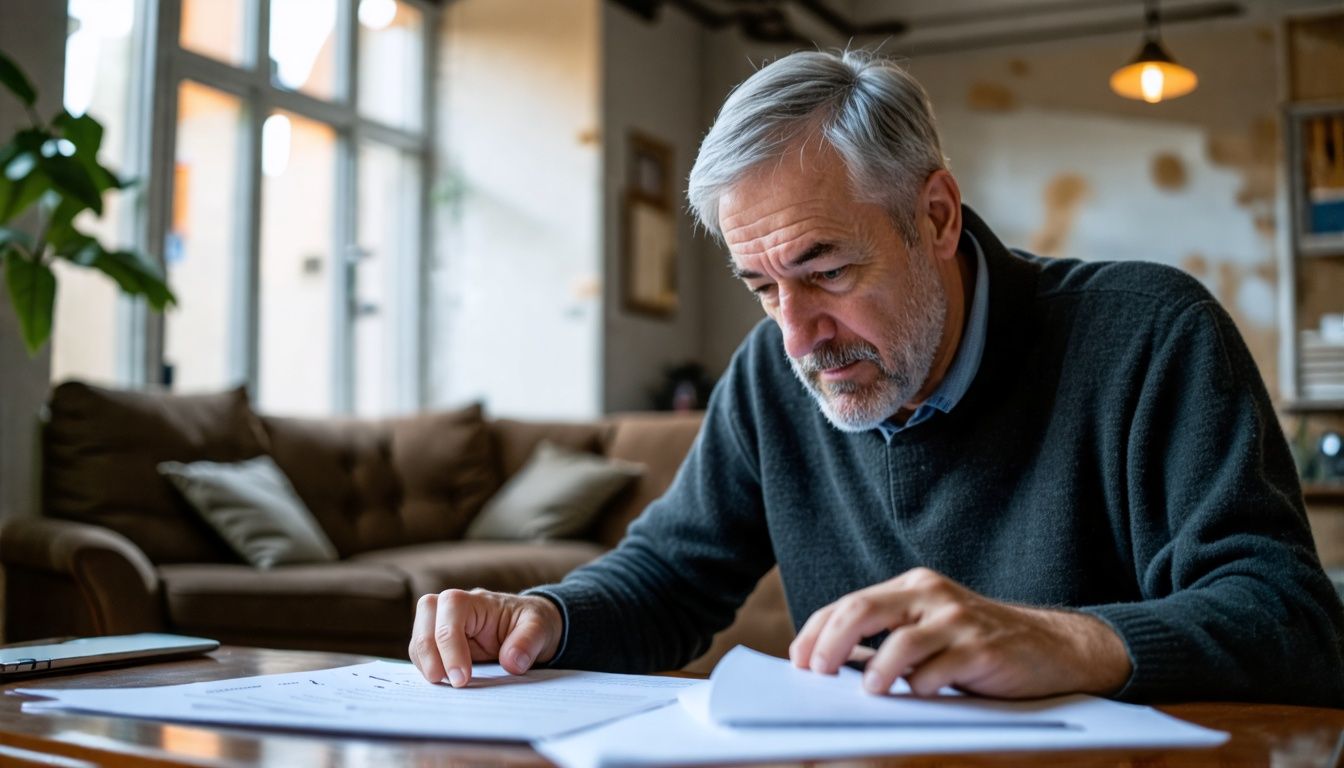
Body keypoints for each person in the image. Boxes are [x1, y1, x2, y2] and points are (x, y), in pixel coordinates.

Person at [409, 49, 1344, 705]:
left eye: (826, 271)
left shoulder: (1148, 334)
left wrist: (1069, 641)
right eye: (763, 287)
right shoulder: (771, 379)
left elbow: (1292, 618)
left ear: (935, 216)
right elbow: (670, 577)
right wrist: (542, 616)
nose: (798, 337)